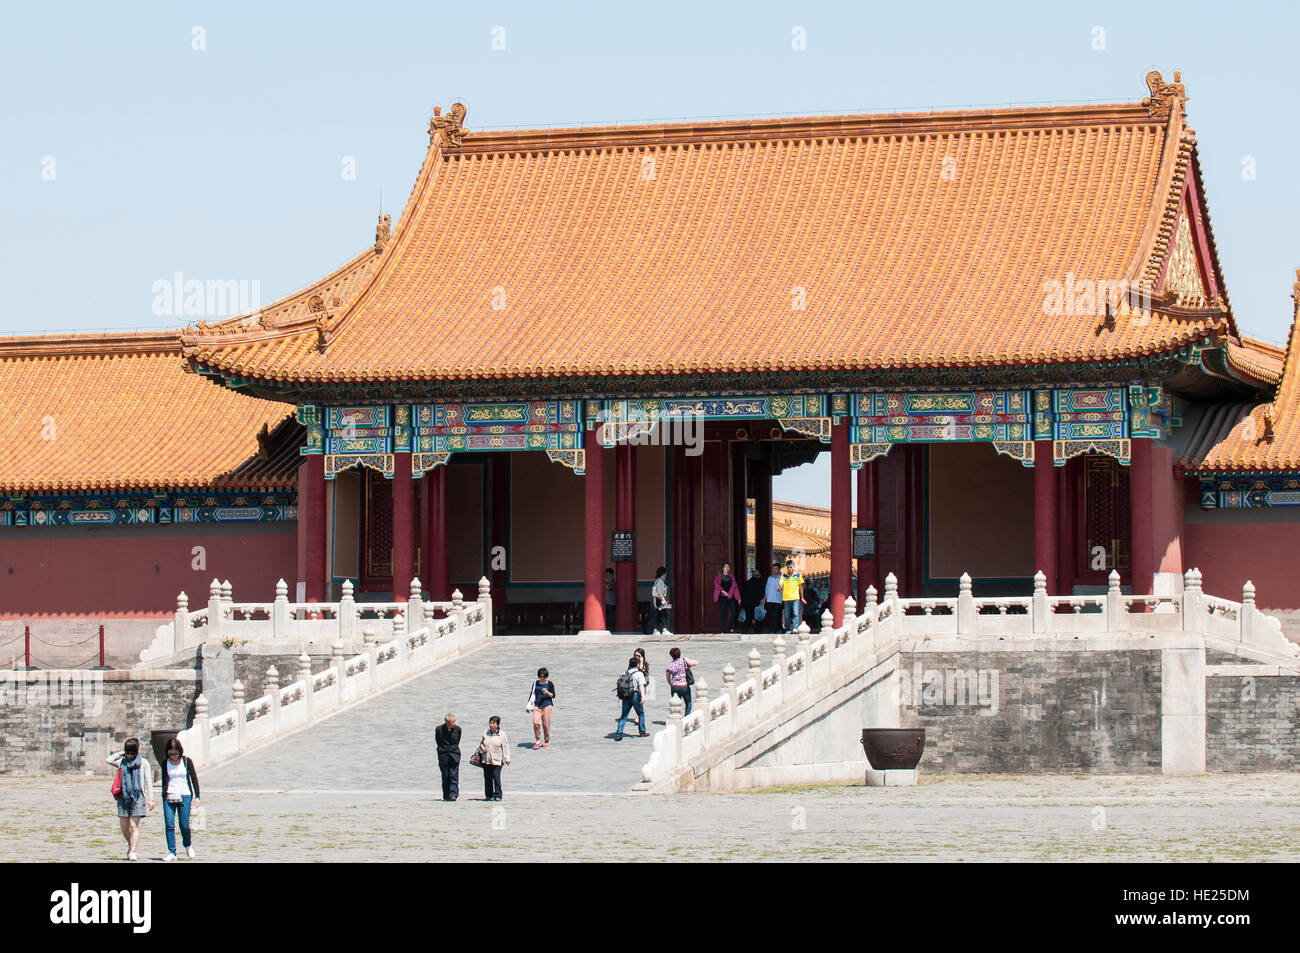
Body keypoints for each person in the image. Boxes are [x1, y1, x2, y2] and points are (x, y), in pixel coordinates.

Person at [107, 737, 153, 861]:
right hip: (124, 797)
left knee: (133, 826)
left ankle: (133, 851)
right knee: (124, 827)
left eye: (133, 753)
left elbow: (148, 781)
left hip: (138, 797)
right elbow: (109, 760)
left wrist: (150, 799)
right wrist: (121, 753)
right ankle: (131, 843)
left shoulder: (143, 763)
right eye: (128, 753)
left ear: (137, 751)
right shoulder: (122, 762)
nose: (130, 756)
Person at [160, 738, 200, 861]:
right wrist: (164, 794)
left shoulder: (187, 762)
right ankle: (172, 851)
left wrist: (197, 796)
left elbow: (194, 779)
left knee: (184, 824)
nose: (173, 757)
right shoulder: (165, 763)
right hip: (170, 794)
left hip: (185, 794)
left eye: (175, 754)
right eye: (171, 754)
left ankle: (188, 845)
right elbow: (164, 780)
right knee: (169, 824)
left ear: (180, 751)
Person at [476, 716, 510, 801]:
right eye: (490, 723)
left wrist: (507, 758)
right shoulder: (485, 732)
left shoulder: (502, 734)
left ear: (497, 724)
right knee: (487, 778)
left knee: (496, 777)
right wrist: (482, 747)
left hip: (497, 759)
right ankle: (489, 794)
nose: (491, 725)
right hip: (486, 759)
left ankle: (498, 794)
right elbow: (481, 743)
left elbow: (505, 747)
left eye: (493, 723)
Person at [614, 656, 647, 740]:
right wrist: (643, 696)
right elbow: (641, 686)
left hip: (626, 696)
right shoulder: (639, 674)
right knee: (640, 713)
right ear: (637, 665)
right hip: (635, 695)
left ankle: (619, 733)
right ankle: (642, 731)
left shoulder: (625, 673)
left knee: (624, 715)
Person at [435, 713, 461, 801]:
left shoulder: (458, 729)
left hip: (455, 755)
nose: (454, 723)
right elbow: (438, 741)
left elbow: (457, 741)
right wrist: (443, 750)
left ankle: (453, 794)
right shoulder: (439, 729)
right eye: (452, 721)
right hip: (443, 755)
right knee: (445, 776)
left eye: (454, 721)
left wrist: (453, 749)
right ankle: (446, 795)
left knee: (454, 775)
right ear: (447, 722)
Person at [665, 646, 698, 715]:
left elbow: (668, 678)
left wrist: (671, 684)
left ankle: (677, 716)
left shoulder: (670, 665)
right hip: (684, 685)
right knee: (688, 702)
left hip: (674, 686)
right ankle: (687, 717)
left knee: (676, 704)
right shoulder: (684, 660)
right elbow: (695, 662)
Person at [530, 667, 556, 749]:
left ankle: (546, 740)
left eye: (544, 676)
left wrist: (547, 692)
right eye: (540, 676)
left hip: (547, 705)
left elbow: (553, 695)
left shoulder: (549, 683)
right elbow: (532, 694)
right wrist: (529, 706)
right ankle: (538, 740)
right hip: (537, 706)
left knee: (546, 724)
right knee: (535, 722)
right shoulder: (535, 683)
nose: (542, 678)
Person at [713, 563, 742, 633]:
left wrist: (738, 598)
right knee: (722, 613)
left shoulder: (731, 576)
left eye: (728, 567)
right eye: (725, 567)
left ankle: (731, 627)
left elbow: (735, 587)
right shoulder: (718, 576)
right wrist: (723, 591)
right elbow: (716, 585)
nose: (727, 568)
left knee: (733, 612)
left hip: (730, 596)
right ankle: (722, 630)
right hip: (723, 597)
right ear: (723, 568)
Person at [781, 558, 805, 634]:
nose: (789, 569)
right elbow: (780, 583)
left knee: (795, 613)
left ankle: (795, 628)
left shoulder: (798, 576)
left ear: (793, 567)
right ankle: (788, 629)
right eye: (788, 567)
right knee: (787, 615)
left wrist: (802, 597)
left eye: (791, 567)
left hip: (795, 598)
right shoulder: (784, 576)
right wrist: (779, 586)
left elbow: (801, 587)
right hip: (786, 598)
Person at [742, 569, 767, 634]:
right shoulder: (761, 584)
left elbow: (743, 594)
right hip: (757, 604)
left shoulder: (747, 583)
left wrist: (743, 605)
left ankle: (745, 631)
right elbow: (763, 593)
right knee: (759, 619)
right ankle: (758, 631)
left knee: (748, 618)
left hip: (748, 604)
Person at [650, 566, 673, 635]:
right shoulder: (660, 581)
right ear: (663, 573)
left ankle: (657, 630)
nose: (666, 575)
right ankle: (663, 630)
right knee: (664, 614)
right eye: (665, 573)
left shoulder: (657, 580)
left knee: (660, 615)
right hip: (660, 601)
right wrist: (665, 601)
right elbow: (660, 593)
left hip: (658, 601)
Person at [764, 561, 784, 634]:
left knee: (776, 616)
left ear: (779, 570)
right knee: (771, 616)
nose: (774, 570)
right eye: (773, 569)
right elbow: (767, 589)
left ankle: (774, 630)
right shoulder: (769, 578)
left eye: (776, 569)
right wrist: (764, 598)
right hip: (769, 600)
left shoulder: (781, 578)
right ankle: (776, 629)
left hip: (778, 600)